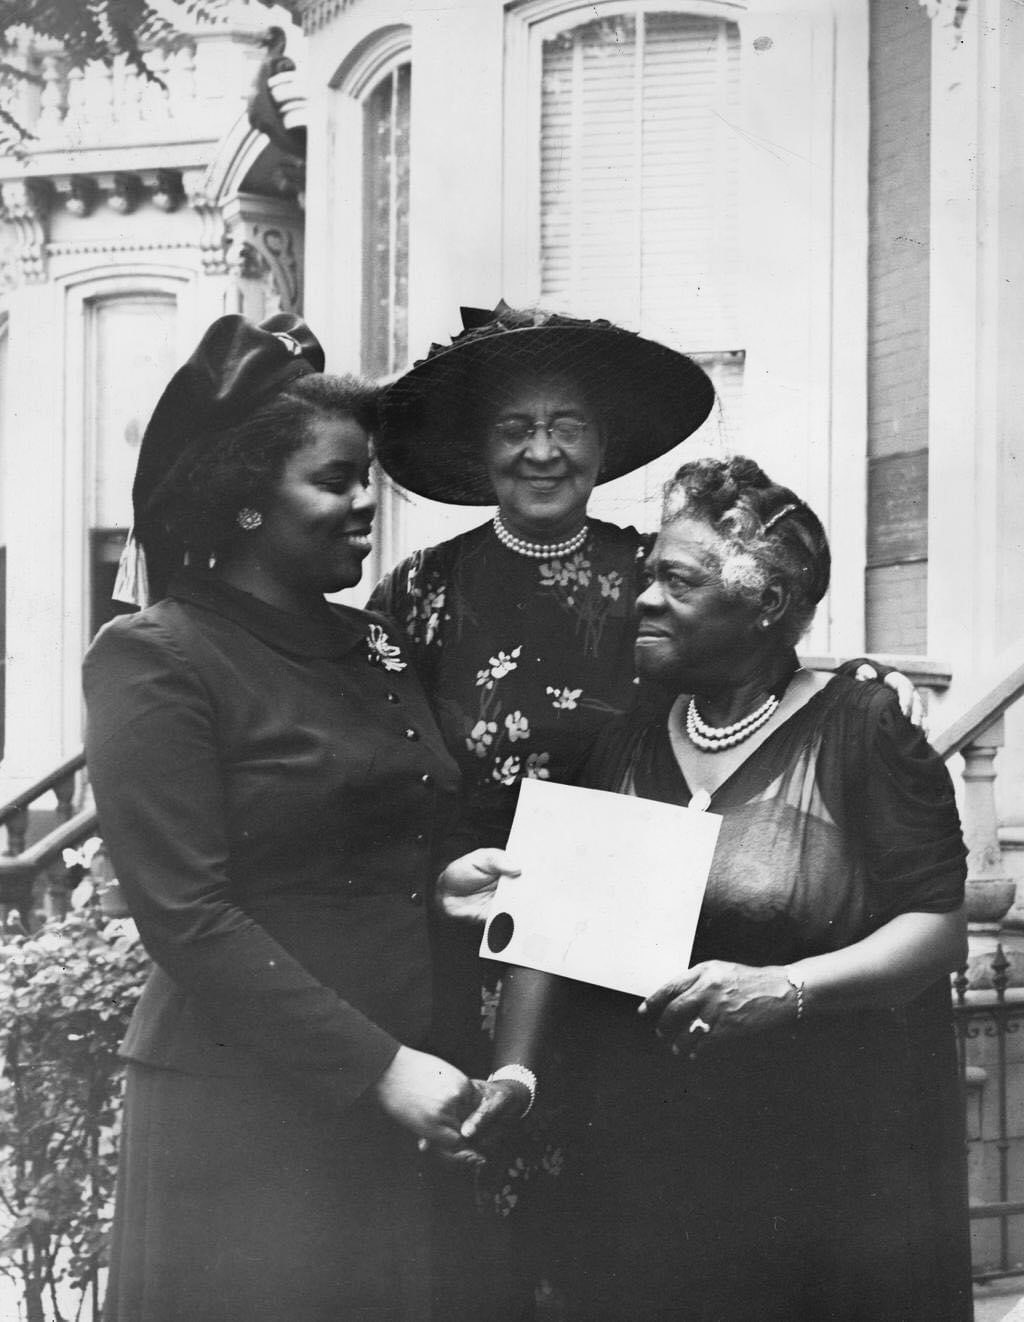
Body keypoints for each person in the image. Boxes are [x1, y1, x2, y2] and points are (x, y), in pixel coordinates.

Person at [370, 302, 924, 1318]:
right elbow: (371, 770)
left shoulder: (654, 570)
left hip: (662, 952)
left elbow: (761, 681)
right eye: (512, 428)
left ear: (603, 441)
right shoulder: (421, 594)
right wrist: (435, 878)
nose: (543, 450)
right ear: (478, 448)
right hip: (485, 941)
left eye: (567, 425)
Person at [463, 455, 972, 1322]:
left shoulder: (863, 730)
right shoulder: (623, 742)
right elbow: (553, 929)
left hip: (820, 1166)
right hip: (650, 1164)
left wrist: (784, 989)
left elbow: (938, 928)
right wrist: (514, 1073)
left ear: (766, 604)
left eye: (677, 579)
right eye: (648, 575)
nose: (644, 598)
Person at [84, 313, 499, 1322]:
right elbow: (188, 914)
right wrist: (383, 1069)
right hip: (242, 1109)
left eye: (368, 478)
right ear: (244, 505)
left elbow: (356, 835)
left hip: (392, 1087)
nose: (366, 504)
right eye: (334, 480)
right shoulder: (159, 656)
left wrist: (440, 883)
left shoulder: (374, 644)